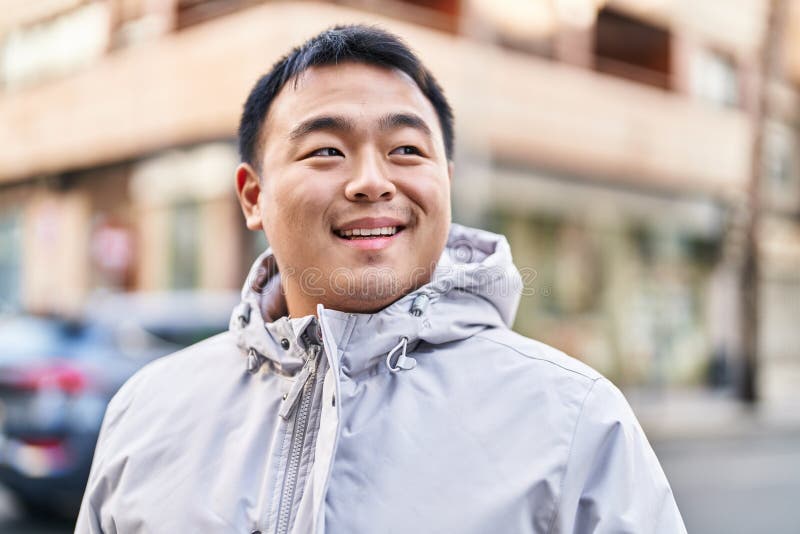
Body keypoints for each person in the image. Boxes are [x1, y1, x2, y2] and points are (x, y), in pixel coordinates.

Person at [76, 25, 686, 533]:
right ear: (254, 196)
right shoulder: (147, 409)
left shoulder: (575, 419)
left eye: (406, 151)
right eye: (326, 151)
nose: (372, 181)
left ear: (446, 181)